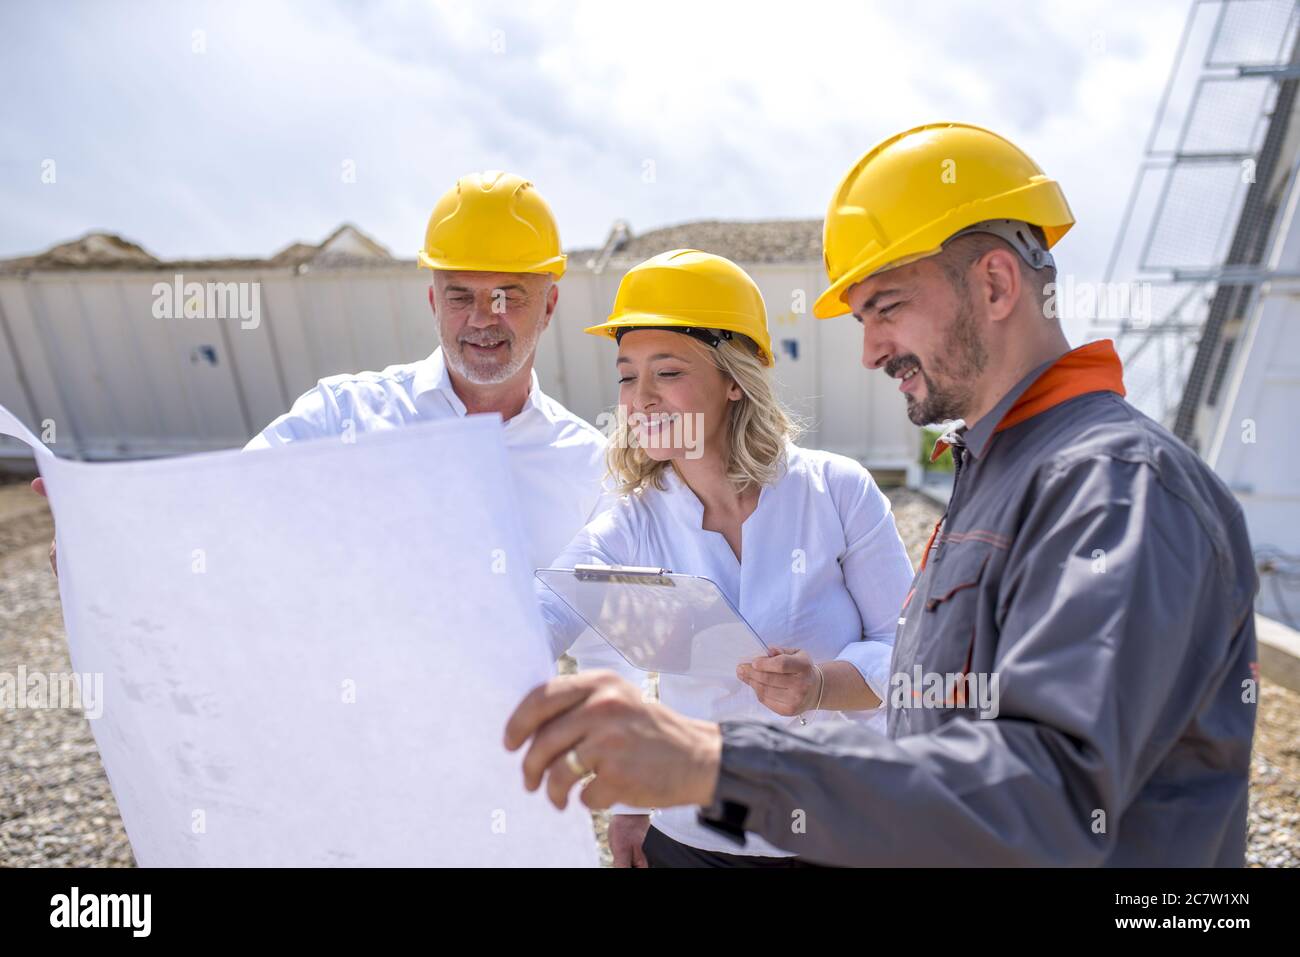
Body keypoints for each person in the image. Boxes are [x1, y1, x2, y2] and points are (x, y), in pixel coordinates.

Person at [505, 123, 1260, 867]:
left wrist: (717, 762)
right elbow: (930, 701)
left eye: (887, 307)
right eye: (862, 318)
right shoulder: (997, 473)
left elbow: (1049, 798)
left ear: (995, 283)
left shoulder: (1115, 490)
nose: (869, 350)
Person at [37, 170, 609, 580]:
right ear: (432, 301)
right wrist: (112, 535)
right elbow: (227, 505)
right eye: (461, 295)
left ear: (551, 304)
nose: (483, 319)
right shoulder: (344, 416)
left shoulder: (586, 464)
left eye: (508, 296)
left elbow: (607, 650)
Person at [538, 249, 912, 867]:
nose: (641, 399)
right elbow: (542, 612)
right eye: (627, 375)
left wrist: (820, 686)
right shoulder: (630, 524)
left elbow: (912, 656)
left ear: (733, 379)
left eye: (668, 372)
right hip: (696, 841)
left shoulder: (837, 491)